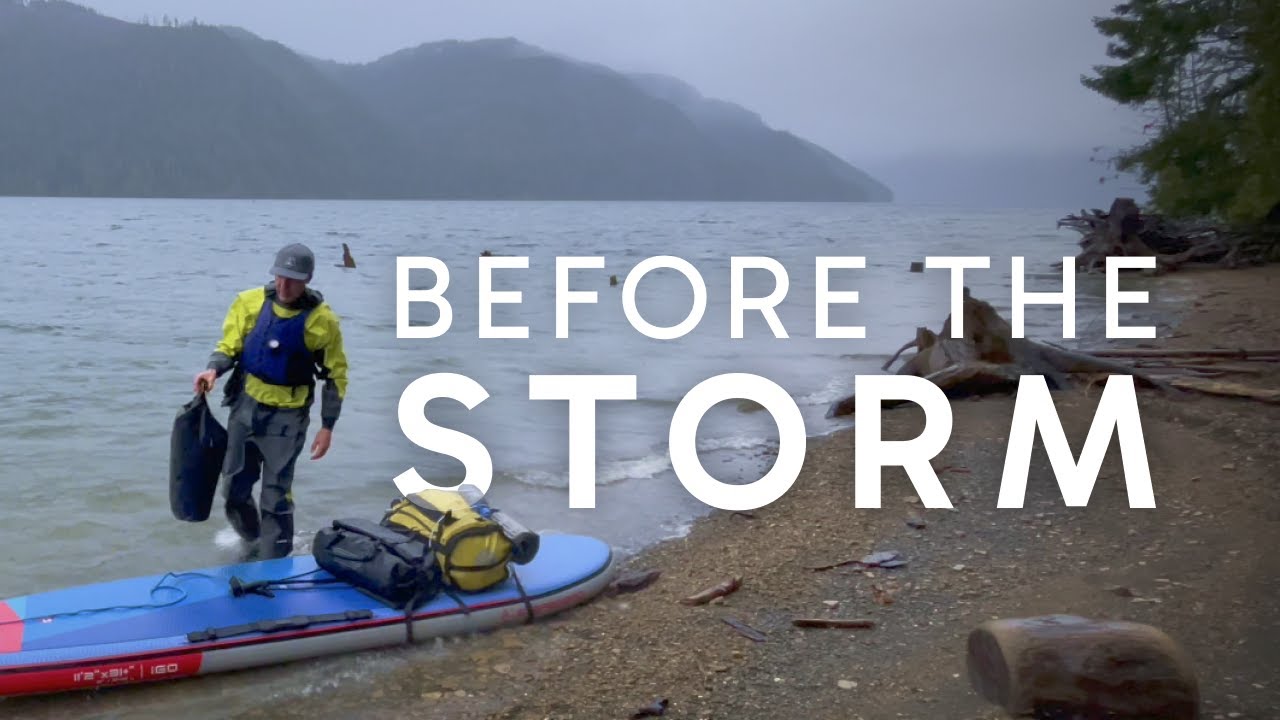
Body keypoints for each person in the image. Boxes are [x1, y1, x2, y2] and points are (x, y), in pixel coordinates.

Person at [193, 243, 348, 560]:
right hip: (245, 408)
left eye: (292, 280)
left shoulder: (323, 321)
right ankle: (254, 543)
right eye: (279, 276)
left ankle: (275, 562)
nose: (284, 285)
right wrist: (213, 370)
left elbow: (335, 375)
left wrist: (327, 427)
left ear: (307, 279)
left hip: (288, 418)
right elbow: (229, 346)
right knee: (233, 490)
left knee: (275, 496)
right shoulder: (248, 302)